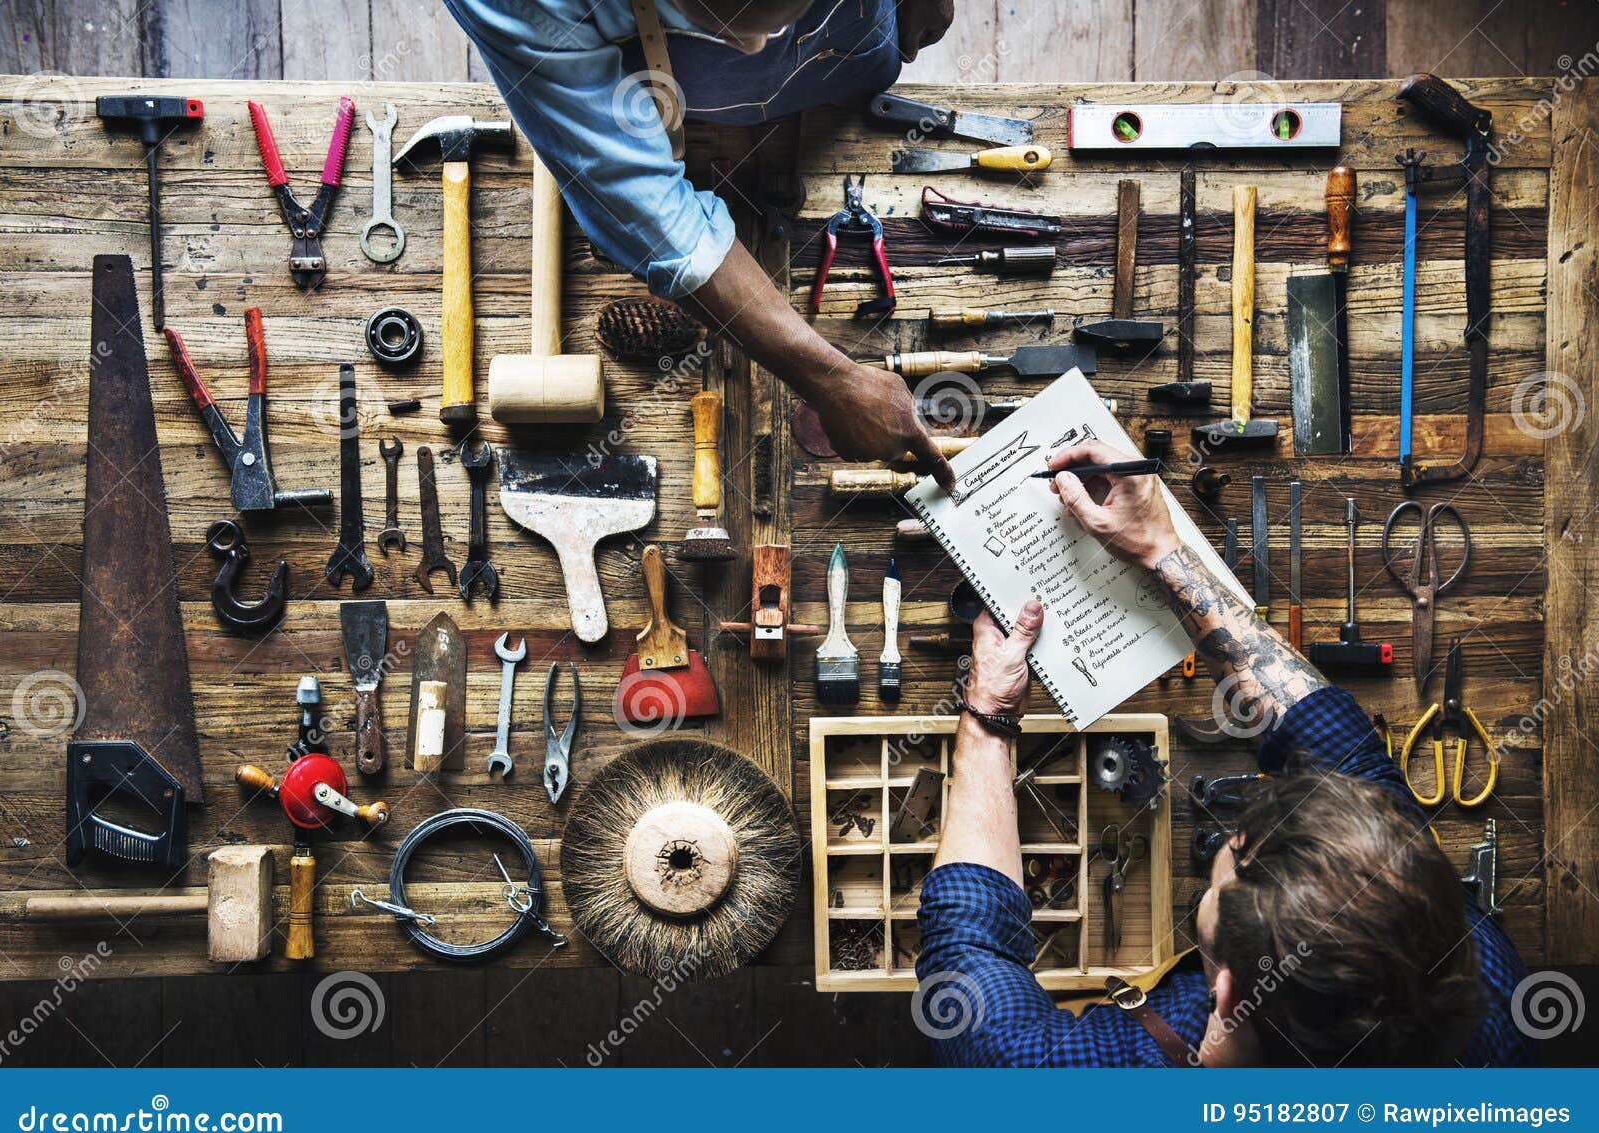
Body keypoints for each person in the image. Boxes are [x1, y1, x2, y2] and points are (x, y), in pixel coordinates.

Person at [916, 439, 1529, 1066]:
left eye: (1228, 866)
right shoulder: (1480, 974)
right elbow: (1334, 741)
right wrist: (1162, 551)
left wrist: (989, 711)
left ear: (1227, 991)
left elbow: (967, 947)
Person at [444, 0, 957, 488]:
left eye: (783, 13)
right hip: (668, 83)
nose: (755, 47)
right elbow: (656, 216)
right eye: (717, 15)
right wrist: (830, 379)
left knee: (871, 47)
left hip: (854, 40)